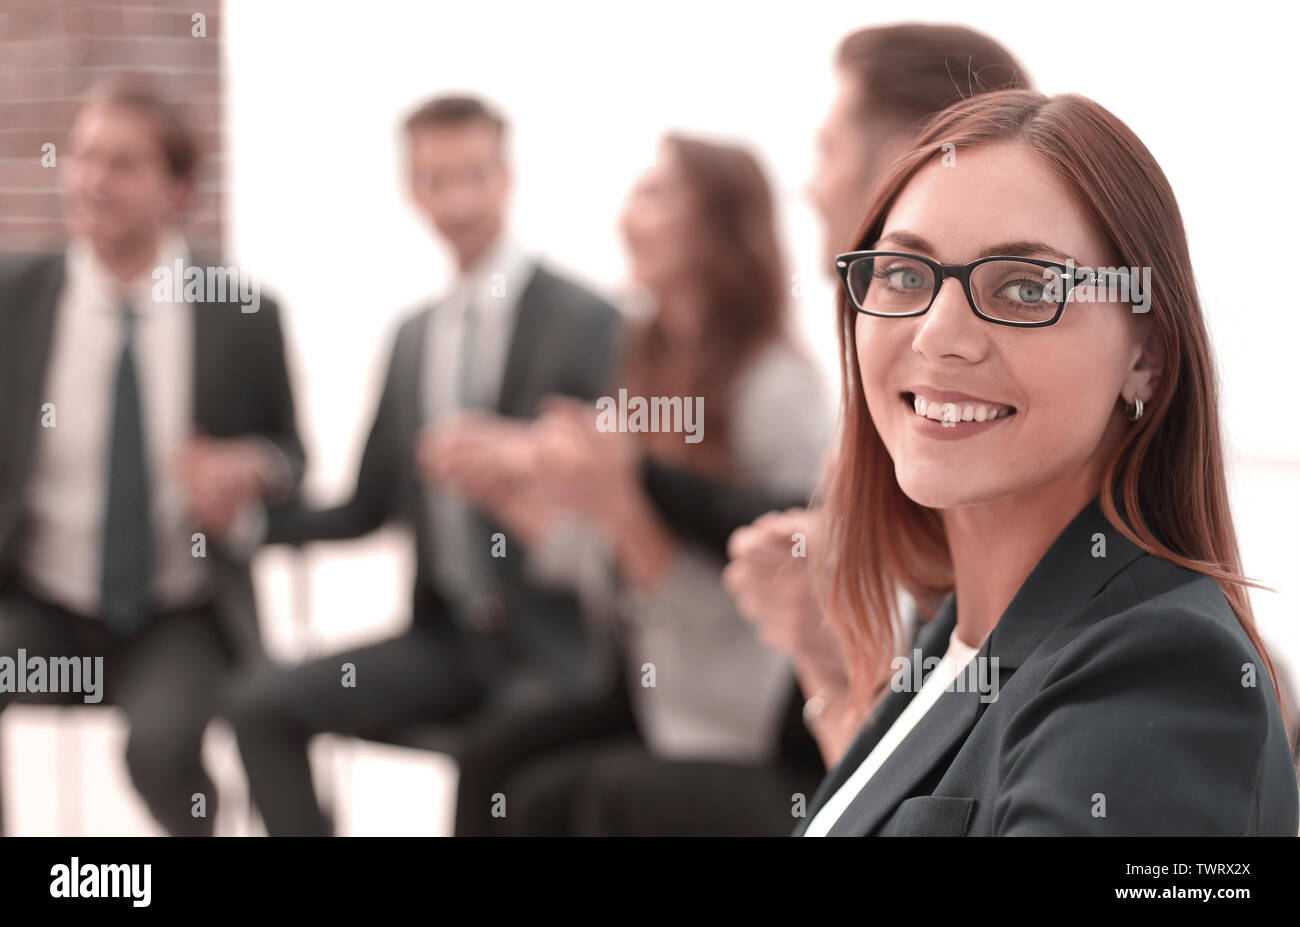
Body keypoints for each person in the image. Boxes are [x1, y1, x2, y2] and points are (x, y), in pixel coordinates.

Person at [797, 88, 1298, 836]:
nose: (939, 336)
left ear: (1148, 358)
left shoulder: (1157, 675)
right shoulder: (961, 636)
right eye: (904, 274)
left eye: (1028, 288)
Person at [222, 96, 622, 836]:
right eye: (437, 180)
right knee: (259, 705)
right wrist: (245, 511)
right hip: (447, 638)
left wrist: (520, 459)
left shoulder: (587, 318)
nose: (458, 200)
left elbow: (621, 493)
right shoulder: (413, 338)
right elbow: (365, 506)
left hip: (555, 643)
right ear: (413, 191)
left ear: (507, 177)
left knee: (495, 762)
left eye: (474, 175)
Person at [433, 134, 833, 835]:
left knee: (577, 795)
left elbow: (745, 599)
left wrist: (614, 496)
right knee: (493, 762)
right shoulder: (645, 361)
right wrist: (504, 486)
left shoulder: (777, 386)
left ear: (718, 226)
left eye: (654, 194)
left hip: (743, 710)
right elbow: (602, 562)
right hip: (655, 685)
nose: (625, 217)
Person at [719, 22, 1032, 767]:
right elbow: (880, 796)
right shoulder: (893, 404)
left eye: (827, 149)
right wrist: (823, 656)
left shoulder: (953, 424)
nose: (811, 182)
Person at [0, 73, 304, 836]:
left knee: (162, 751)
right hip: (43, 601)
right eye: (83, 157)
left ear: (180, 190)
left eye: (124, 163)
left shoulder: (242, 315)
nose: (94, 182)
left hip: (176, 610)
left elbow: (291, 454)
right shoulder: (14, 299)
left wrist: (252, 470)